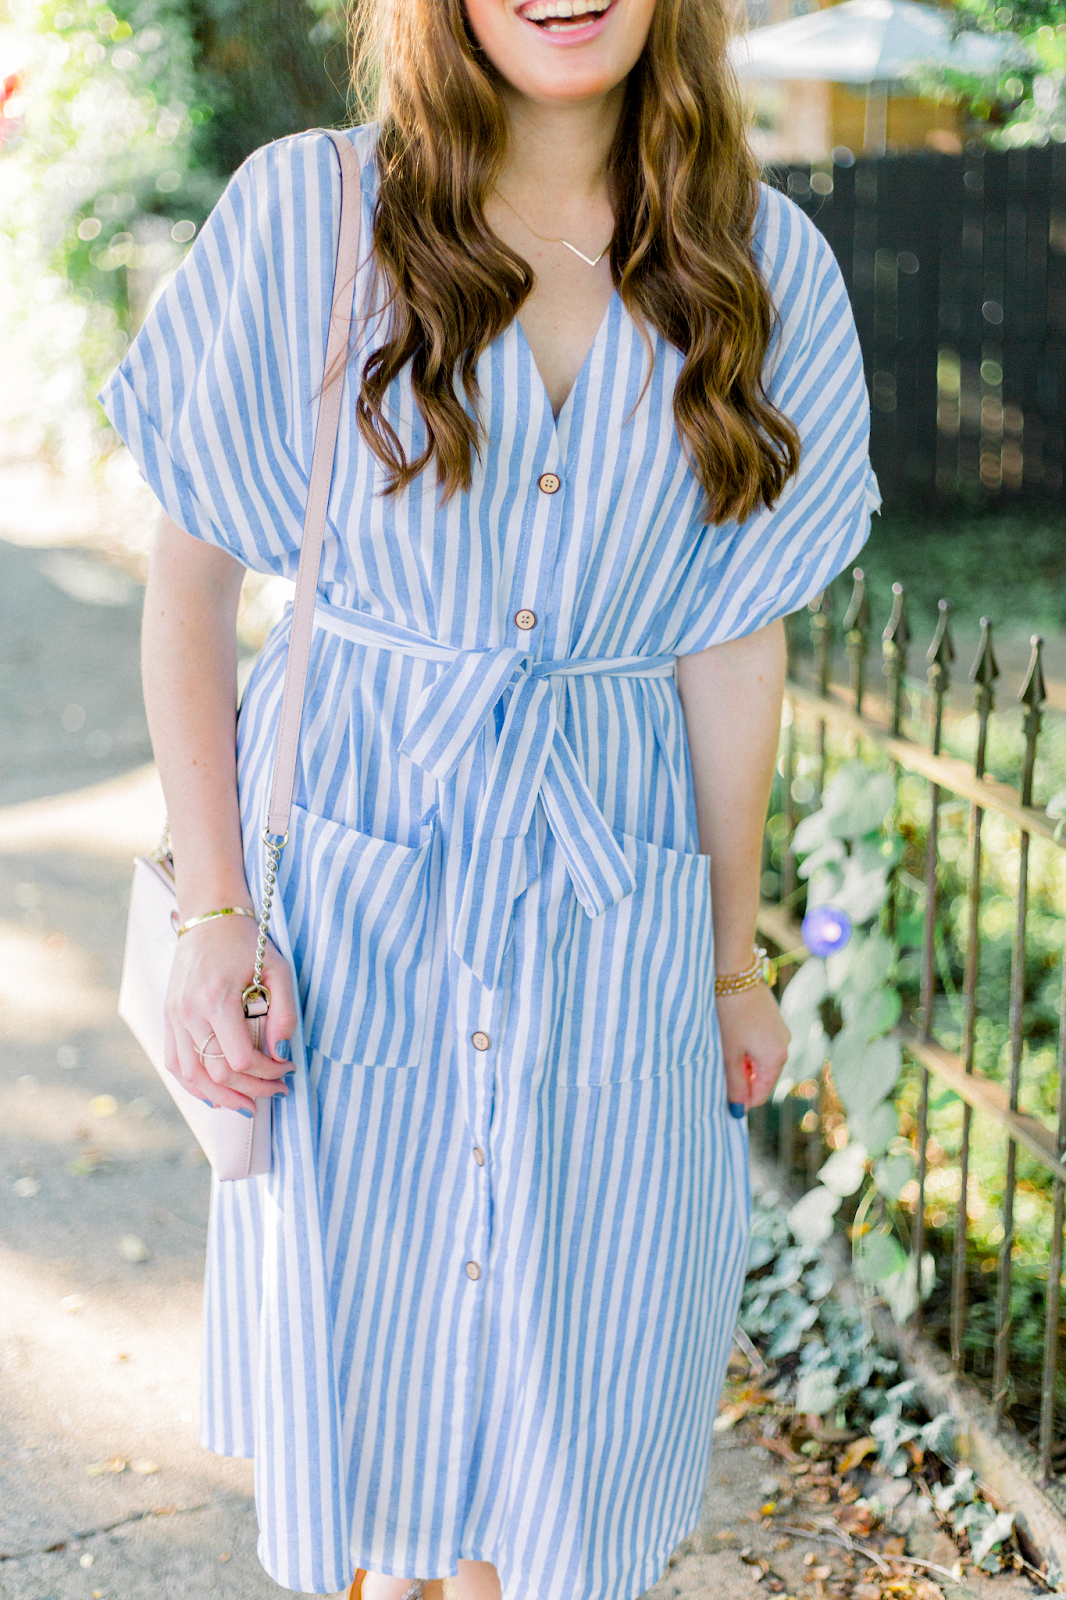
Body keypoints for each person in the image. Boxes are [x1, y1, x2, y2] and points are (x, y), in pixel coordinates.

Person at [100, 0, 878, 1594]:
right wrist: (213, 910)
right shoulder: (311, 214)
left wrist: (731, 957)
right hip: (356, 892)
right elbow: (191, 588)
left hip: (615, 903)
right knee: (375, 1410)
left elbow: (732, 649)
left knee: (570, 1418)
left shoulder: (761, 263)